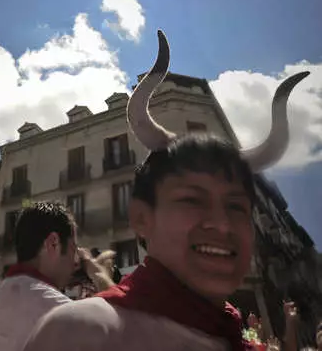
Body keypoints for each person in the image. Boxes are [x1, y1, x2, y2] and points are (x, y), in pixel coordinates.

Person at [23, 30, 309, 351]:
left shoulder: (239, 342)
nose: (222, 224)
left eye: (236, 206)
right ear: (142, 218)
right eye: (192, 200)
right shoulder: (80, 333)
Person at [0, 201, 114, 351]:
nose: (76, 262)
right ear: (53, 244)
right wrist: (100, 276)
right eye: (73, 248)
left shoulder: (1, 296)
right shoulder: (53, 309)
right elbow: (126, 335)